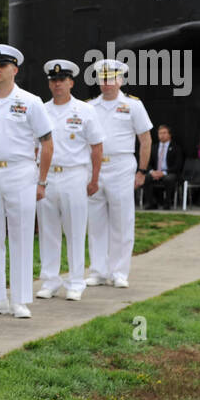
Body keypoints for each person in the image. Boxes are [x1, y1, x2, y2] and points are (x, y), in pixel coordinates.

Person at [0, 44, 53, 319]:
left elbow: (47, 142)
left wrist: (42, 181)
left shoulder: (31, 102)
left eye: (2, 66)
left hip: (20, 173)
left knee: (20, 234)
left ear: (14, 69)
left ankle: (19, 299)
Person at [35, 60, 103, 301]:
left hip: (75, 174)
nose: (57, 84)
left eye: (62, 80)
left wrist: (94, 179)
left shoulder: (85, 111)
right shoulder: (41, 109)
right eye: (53, 80)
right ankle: (50, 280)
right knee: (48, 230)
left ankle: (75, 282)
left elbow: (96, 147)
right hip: (48, 175)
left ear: (71, 82)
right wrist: (38, 179)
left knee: (75, 229)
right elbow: (36, 148)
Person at [85, 59, 151, 288]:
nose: (107, 83)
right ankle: (98, 270)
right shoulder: (89, 107)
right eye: (103, 79)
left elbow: (145, 139)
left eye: (111, 78)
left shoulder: (133, 105)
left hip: (122, 166)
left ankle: (120, 272)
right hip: (95, 168)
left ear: (120, 80)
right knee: (96, 222)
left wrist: (142, 171)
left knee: (122, 221)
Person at [141, 124, 184, 209]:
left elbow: (178, 165)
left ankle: (167, 203)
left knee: (169, 179)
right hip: (155, 172)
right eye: (160, 133)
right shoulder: (153, 148)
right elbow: (147, 163)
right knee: (146, 177)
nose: (162, 135)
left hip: (169, 172)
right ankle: (151, 203)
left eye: (164, 133)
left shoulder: (176, 148)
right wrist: (152, 172)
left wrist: (163, 173)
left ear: (169, 134)